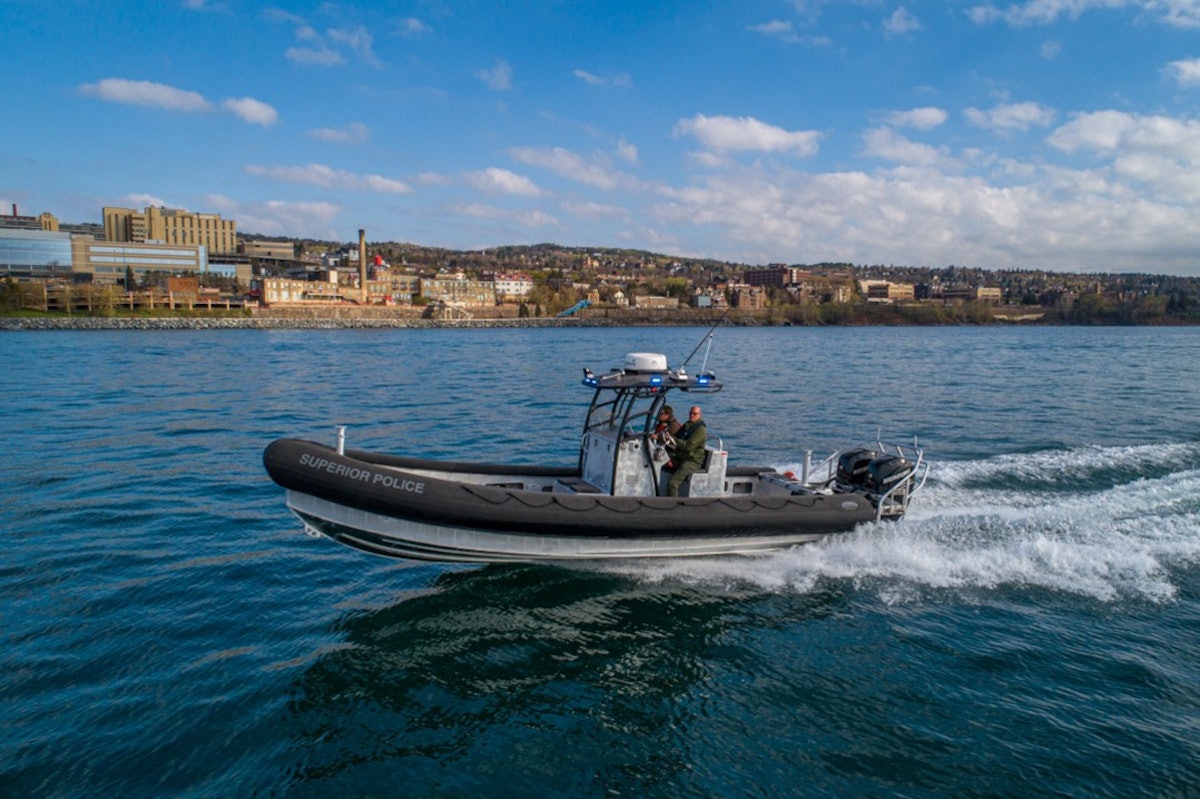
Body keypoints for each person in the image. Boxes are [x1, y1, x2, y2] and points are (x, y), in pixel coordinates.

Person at [667, 406, 707, 497]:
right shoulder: (687, 425)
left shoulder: (700, 430)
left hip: (692, 460)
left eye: (694, 414)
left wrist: (673, 439)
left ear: (699, 415)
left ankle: (672, 505)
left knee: (673, 482)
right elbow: (677, 436)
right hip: (682, 456)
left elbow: (688, 446)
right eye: (690, 413)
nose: (691, 415)